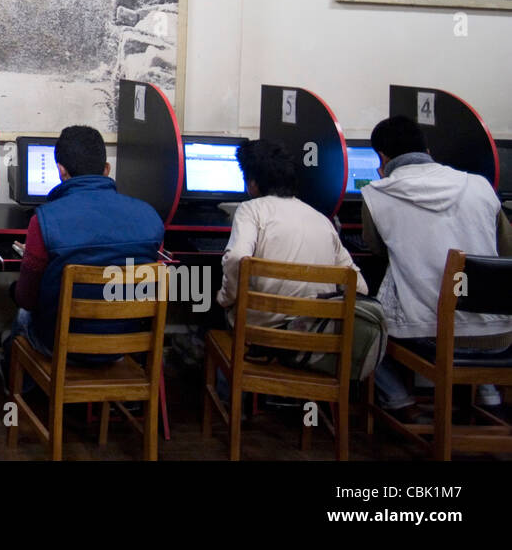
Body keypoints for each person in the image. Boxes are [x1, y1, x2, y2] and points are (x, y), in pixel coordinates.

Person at [361, 116, 512, 414]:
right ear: (428, 150)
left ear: (382, 158)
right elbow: (506, 251)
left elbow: (377, 249)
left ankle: (399, 400)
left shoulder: (377, 194)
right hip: (498, 333)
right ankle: (487, 393)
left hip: (427, 332)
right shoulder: (479, 186)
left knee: (359, 321)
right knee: (470, 320)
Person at [5, 125, 164, 372]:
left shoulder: (44, 221)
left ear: (61, 171)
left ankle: (20, 389)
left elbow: (28, 297)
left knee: (23, 315)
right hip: (125, 343)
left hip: (60, 345)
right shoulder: (150, 217)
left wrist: (19, 280)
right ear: (107, 170)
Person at [216, 139, 367, 331]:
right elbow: (360, 287)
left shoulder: (251, 210)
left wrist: (225, 297)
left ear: (252, 183)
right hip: (316, 336)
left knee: (204, 299)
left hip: (261, 332)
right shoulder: (321, 219)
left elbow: (237, 257)